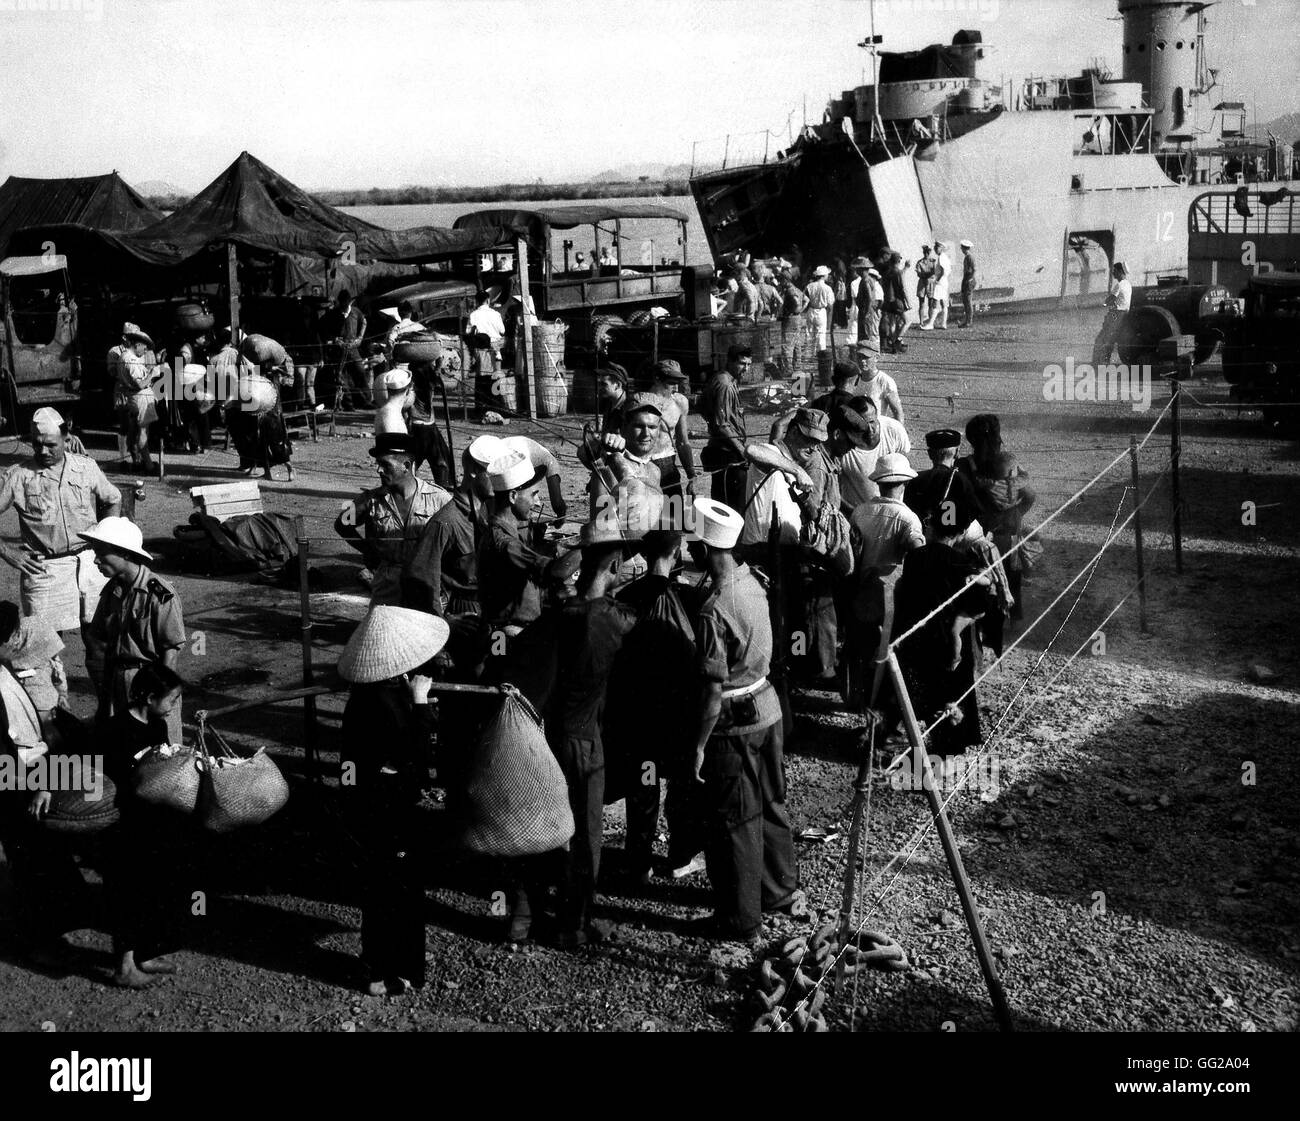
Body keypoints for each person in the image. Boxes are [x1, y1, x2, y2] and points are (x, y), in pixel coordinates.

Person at [688, 498, 801, 947]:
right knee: (771, 802)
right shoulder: (753, 581)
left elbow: (712, 691)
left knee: (735, 821)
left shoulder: (712, 609)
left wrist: (697, 745)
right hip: (769, 707)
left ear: (701, 548)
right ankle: (780, 890)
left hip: (735, 723)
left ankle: (740, 920)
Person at [338, 606, 449, 995]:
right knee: (399, 891)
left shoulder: (366, 697)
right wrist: (420, 704)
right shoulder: (388, 702)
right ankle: (393, 969)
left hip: (369, 807)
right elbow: (414, 754)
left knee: (381, 890)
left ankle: (380, 967)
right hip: (391, 811)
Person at [606, 526, 707, 883]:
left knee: (642, 787)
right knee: (682, 785)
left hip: (638, 710)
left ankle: (639, 861)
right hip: (677, 710)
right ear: (677, 556)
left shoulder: (627, 596)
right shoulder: (689, 599)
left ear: (645, 557)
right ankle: (681, 856)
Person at [0, 408, 122, 671]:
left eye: (50, 445)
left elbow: (112, 498)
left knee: (99, 642)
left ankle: (106, 708)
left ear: (66, 439)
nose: (42, 452)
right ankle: (52, 709)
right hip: (44, 570)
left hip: (90, 565)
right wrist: (7, 551)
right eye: (37, 444)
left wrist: (108, 542)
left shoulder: (85, 467)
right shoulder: (18, 475)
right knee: (44, 651)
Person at [102, 663, 193, 988]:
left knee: (156, 889)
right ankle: (124, 965)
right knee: (128, 892)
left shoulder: (156, 725)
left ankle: (146, 952)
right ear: (150, 697)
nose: (172, 706)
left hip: (155, 823)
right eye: (170, 699)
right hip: (124, 826)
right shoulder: (114, 730)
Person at [81, 517, 186, 744]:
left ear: (125, 553)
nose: (96, 560)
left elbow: (171, 651)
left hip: (151, 686)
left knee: (161, 756)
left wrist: (160, 698)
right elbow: (100, 642)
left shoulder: (159, 594)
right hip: (118, 682)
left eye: (102, 552)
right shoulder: (111, 592)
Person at [846, 453, 924, 713]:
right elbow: (917, 552)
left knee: (861, 646)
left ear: (879, 483)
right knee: (889, 650)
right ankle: (882, 702)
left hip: (861, 591)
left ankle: (859, 698)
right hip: (892, 597)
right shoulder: (908, 519)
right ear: (903, 484)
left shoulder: (859, 512)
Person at [335, 433, 451, 606]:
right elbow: (341, 524)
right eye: (378, 464)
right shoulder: (369, 500)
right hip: (387, 587)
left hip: (426, 583)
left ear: (406, 465)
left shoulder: (438, 498)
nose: (378, 470)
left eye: (385, 464)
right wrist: (367, 549)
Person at [227, 333, 296, 481]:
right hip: (268, 410)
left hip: (268, 412)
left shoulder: (264, 374)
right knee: (266, 441)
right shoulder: (272, 373)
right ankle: (267, 470)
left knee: (270, 440)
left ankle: (289, 469)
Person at [831, 399, 912, 513]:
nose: (869, 429)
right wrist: (855, 514)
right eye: (863, 424)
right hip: (857, 516)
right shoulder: (843, 444)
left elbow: (905, 472)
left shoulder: (894, 430)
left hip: (893, 512)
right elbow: (833, 489)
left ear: (877, 415)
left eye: (872, 422)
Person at [0, 601, 68, 735]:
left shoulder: (38, 629)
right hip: (21, 695)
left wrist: (62, 694)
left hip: (35, 695)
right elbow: (57, 668)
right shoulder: (37, 628)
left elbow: (57, 668)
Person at [635, 359, 696, 501]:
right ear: (657, 379)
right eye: (671, 383)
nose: (675, 388)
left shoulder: (679, 402)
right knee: (646, 517)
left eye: (678, 383)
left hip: (668, 465)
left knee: (674, 518)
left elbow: (682, 442)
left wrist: (691, 475)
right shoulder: (641, 403)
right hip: (645, 465)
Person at [904, 427, 981, 538]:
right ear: (957, 453)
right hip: (951, 539)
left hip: (922, 539)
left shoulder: (915, 479)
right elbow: (974, 510)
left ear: (930, 454)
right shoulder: (960, 479)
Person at [700, 346, 751, 510]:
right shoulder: (725, 385)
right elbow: (722, 425)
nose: (746, 369)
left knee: (722, 499)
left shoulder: (721, 379)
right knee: (732, 506)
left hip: (722, 449)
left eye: (749, 364)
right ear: (730, 361)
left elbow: (702, 405)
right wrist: (742, 451)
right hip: (727, 452)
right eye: (742, 364)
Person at [106, 323, 161, 471]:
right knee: (132, 428)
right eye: (143, 346)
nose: (145, 350)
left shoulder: (132, 356)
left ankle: (137, 460)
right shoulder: (122, 355)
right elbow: (139, 383)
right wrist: (152, 374)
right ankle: (139, 461)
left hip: (133, 394)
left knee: (134, 429)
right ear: (135, 343)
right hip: (131, 394)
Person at [319, 290, 369, 410]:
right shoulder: (332, 314)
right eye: (343, 303)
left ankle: (366, 401)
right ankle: (349, 405)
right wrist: (335, 339)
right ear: (340, 302)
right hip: (339, 351)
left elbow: (364, 323)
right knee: (341, 379)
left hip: (353, 348)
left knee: (360, 372)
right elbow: (323, 330)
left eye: (346, 303)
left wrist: (360, 338)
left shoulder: (356, 312)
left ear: (349, 301)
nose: (345, 305)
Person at [1093, 262, 1131, 364]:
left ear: (1120, 271)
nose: (1113, 273)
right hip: (1124, 314)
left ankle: (1101, 363)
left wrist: (1105, 303)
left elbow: (1109, 300)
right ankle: (1104, 361)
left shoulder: (1119, 285)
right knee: (1111, 339)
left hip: (1116, 315)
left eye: (1114, 271)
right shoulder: (1128, 284)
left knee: (1104, 339)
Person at [853, 349, 904, 423]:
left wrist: (899, 431)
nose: (862, 361)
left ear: (876, 358)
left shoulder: (885, 381)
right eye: (859, 357)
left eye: (866, 357)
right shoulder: (853, 380)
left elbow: (898, 413)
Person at [777, 271, 808, 375]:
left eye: (781, 280)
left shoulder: (790, 291)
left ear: (785, 280)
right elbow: (807, 300)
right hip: (797, 318)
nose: (779, 282)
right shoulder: (797, 289)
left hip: (790, 319)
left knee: (786, 345)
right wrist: (800, 311)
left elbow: (796, 302)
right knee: (796, 344)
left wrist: (795, 310)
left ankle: (788, 369)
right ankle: (797, 367)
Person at [881, 251, 911, 353]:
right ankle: (898, 340)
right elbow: (902, 288)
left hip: (888, 301)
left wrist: (905, 269)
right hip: (896, 301)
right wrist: (908, 301)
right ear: (898, 261)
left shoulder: (888, 272)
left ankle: (893, 345)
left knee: (892, 323)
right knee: (907, 321)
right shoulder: (897, 272)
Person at [849, 257, 879, 351]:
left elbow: (869, 298)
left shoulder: (865, 281)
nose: (856, 271)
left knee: (865, 335)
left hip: (865, 310)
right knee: (866, 333)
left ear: (862, 270)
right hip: (867, 310)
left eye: (857, 269)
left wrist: (866, 312)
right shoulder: (868, 279)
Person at [804, 265, 835, 351]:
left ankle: (808, 355)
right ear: (824, 276)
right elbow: (830, 305)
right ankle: (821, 355)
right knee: (821, 335)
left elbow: (804, 299)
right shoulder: (828, 288)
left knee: (809, 334)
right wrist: (829, 320)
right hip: (821, 312)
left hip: (811, 310)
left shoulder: (809, 286)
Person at [921, 242, 951, 330]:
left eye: (937, 248)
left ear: (941, 248)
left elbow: (942, 271)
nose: (935, 249)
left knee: (935, 302)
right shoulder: (945, 257)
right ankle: (943, 323)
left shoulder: (941, 257)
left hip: (940, 282)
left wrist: (937, 280)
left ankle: (930, 324)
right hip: (944, 281)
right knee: (943, 303)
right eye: (935, 248)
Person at [915, 244, 936, 325]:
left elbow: (934, 272)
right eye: (925, 252)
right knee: (921, 303)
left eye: (928, 252)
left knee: (930, 303)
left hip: (930, 283)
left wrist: (927, 274)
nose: (926, 254)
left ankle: (930, 321)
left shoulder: (933, 261)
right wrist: (927, 274)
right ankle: (921, 321)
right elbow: (919, 273)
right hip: (922, 283)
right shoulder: (920, 262)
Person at [959, 240, 977, 328]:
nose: (961, 249)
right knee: (965, 301)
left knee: (968, 301)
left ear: (965, 248)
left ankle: (969, 321)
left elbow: (974, 269)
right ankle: (967, 320)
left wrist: (970, 279)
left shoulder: (970, 257)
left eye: (962, 247)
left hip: (969, 279)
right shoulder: (967, 257)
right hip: (967, 278)